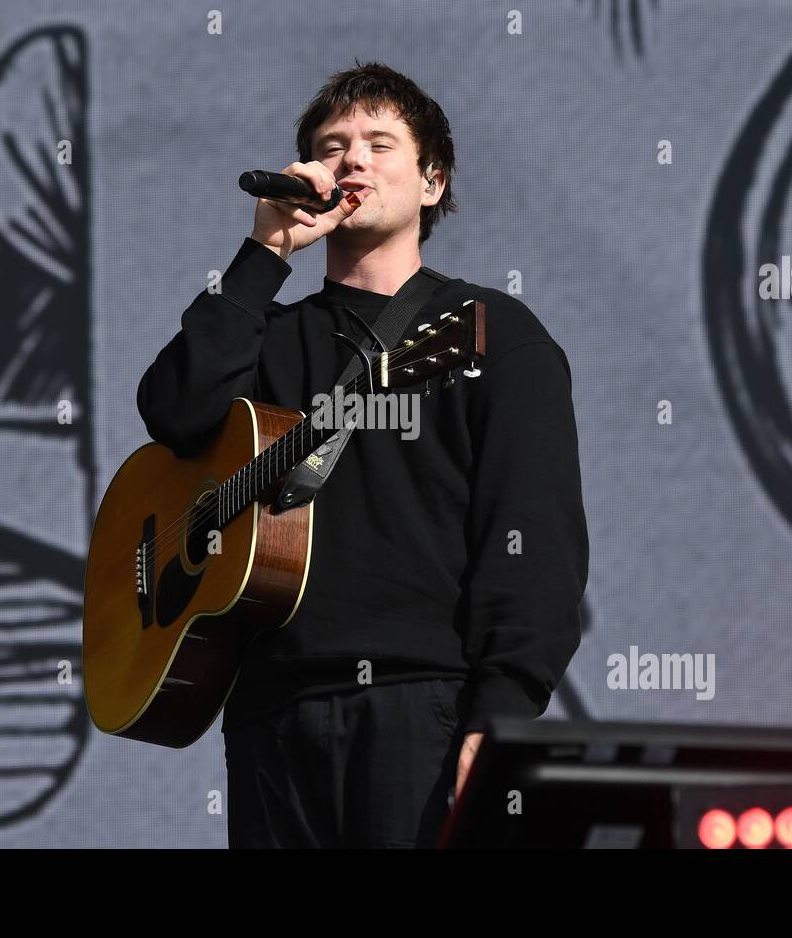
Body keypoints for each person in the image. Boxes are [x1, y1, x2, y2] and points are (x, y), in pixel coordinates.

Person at [137, 61, 589, 848]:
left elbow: (534, 541)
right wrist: (264, 253)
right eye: (331, 145)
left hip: (423, 708)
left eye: (381, 144)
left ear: (432, 182)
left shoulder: (491, 332)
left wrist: (502, 712)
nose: (351, 160)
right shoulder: (268, 336)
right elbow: (174, 411)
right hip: (271, 717)